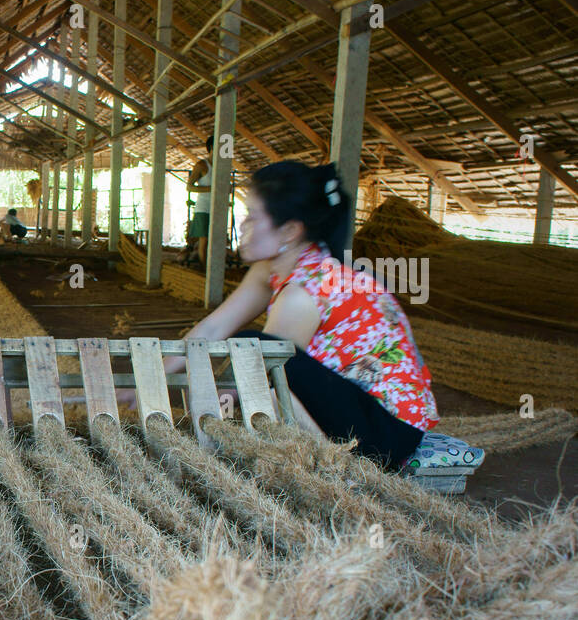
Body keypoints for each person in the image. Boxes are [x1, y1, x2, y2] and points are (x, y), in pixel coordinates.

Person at [164, 160, 460, 472]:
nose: (243, 224)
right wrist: (147, 381)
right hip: (353, 407)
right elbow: (213, 328)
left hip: (388, 432)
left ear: (290, 230)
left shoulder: (303, 294)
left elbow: (252, 375)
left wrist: (201, 417)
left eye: (253, 216)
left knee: (256, 352)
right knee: (256, 353)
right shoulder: (274, 269)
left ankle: (340, 469)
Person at [186, 136, 214, 268]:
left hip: (216, 208)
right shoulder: (202, 165)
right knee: (204, 240)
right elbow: (189, 186)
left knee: (214, 240)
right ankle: (205, 269)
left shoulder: (222, 167)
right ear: (212, 148)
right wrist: (211, 189)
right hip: (204, 208)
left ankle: (212, 268)